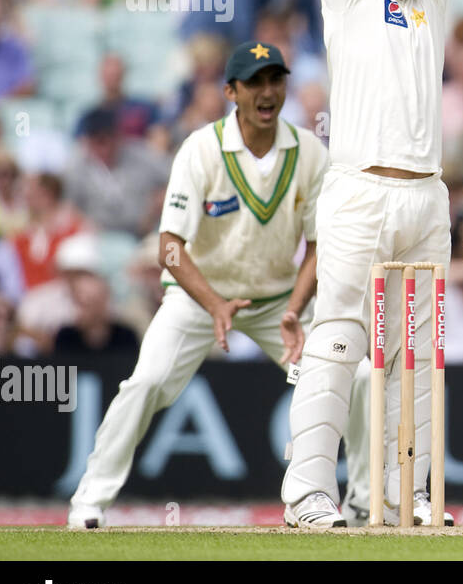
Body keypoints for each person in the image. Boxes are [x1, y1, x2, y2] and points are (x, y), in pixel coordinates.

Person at [281, 0, 455, 529]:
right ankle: (309, 494)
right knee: (338, 342)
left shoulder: (432, 6)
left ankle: (408, 494)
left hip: (426, 198)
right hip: (357, 193)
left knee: (418, 357)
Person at [66, 40, 327, 528]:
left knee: (347, 377)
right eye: (254, 83)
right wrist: (215, 304)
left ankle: (352, 500)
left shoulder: (310, 152)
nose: (267, 92)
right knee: (146, 382)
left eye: (275, 80)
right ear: (231, 91)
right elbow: (169, 247)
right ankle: (89, 501)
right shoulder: (201, 150)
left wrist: (294, 308)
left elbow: (317, 246)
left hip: (277, 303)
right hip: (197, 296)